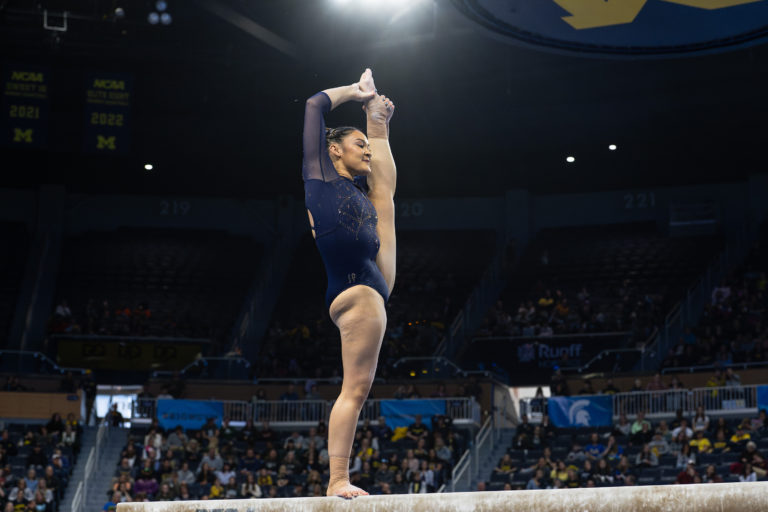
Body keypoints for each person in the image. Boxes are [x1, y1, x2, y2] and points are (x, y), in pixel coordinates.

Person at [302, 69, 396, 498]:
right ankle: (337, 479)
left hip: (372, 277)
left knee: (385, 199)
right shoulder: (319, 177)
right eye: (361, 144)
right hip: (355, 289)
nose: (367, 152)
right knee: (355, 389)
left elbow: (384, 183)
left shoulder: (359, 190)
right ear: (334, 150)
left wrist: (377, 125)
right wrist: (354, 93)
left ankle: (379, 119)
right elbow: (314, 106)